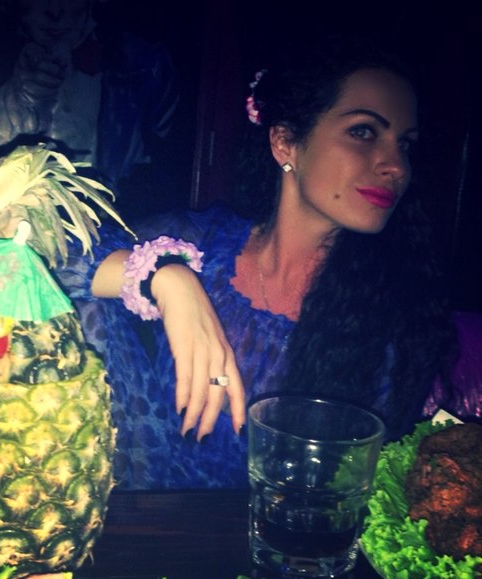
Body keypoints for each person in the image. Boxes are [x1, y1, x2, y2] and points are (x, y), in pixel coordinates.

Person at [55, 36, 466, 490]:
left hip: (277, 533)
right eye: (364, 132)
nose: (396, 166)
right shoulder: (201, 244)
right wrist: (166, 279)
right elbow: (39, 254)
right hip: (141, 520)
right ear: (285, 142)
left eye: (404, 144)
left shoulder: (391, 314)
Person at [0, 0, 178, 194]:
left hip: (112, 210)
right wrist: (18, 100)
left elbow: (164, 145)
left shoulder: (143, 63)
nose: (54, 11)